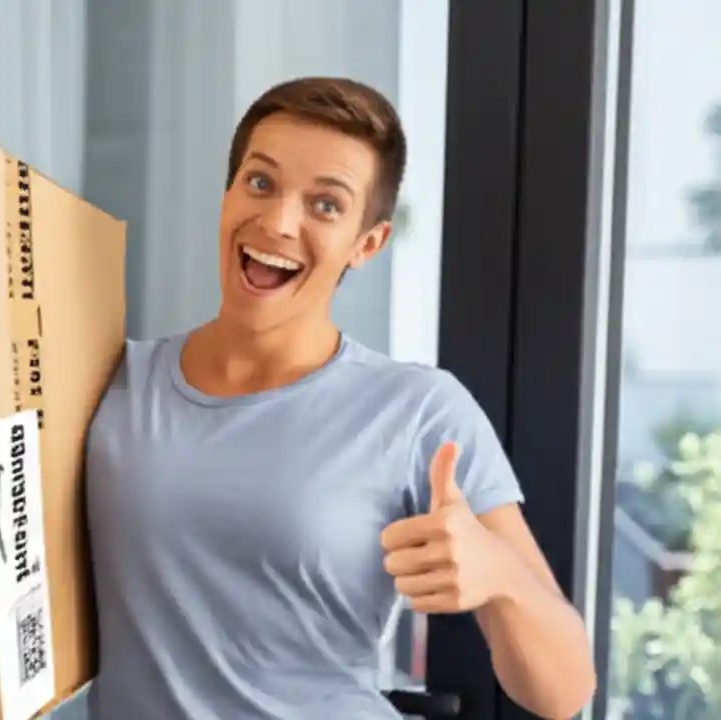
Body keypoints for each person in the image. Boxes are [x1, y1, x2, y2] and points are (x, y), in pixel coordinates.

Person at [84, 77, 597, 719]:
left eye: (326, 205)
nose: (276, 222)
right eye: (260, 182)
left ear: (368, 242)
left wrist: (500, 578)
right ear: (227, 193)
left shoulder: (418, 410)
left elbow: (564, 693)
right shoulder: (113, 379)